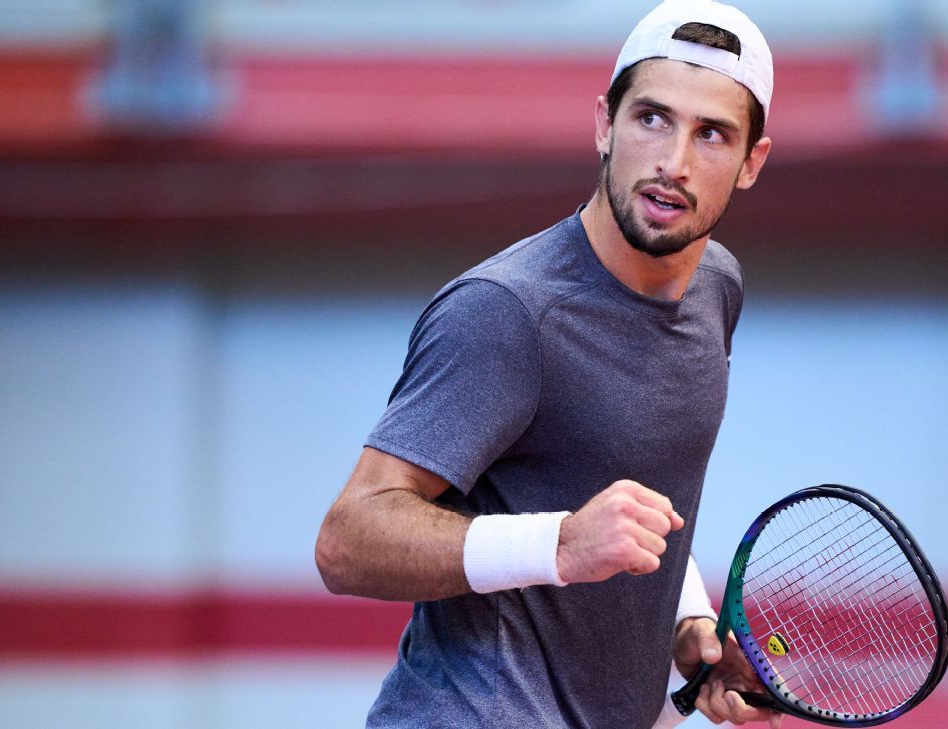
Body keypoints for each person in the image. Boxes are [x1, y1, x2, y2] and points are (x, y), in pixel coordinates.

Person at [314, 2, 775, 726]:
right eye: (651, 118)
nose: (674, 162)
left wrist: (688, 626)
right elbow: (347, 542)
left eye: (710, 133)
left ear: (752, 162)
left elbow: (623, 488)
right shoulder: (506, 311)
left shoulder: (716, 287)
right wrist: (558, 545)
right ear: (604, 125)